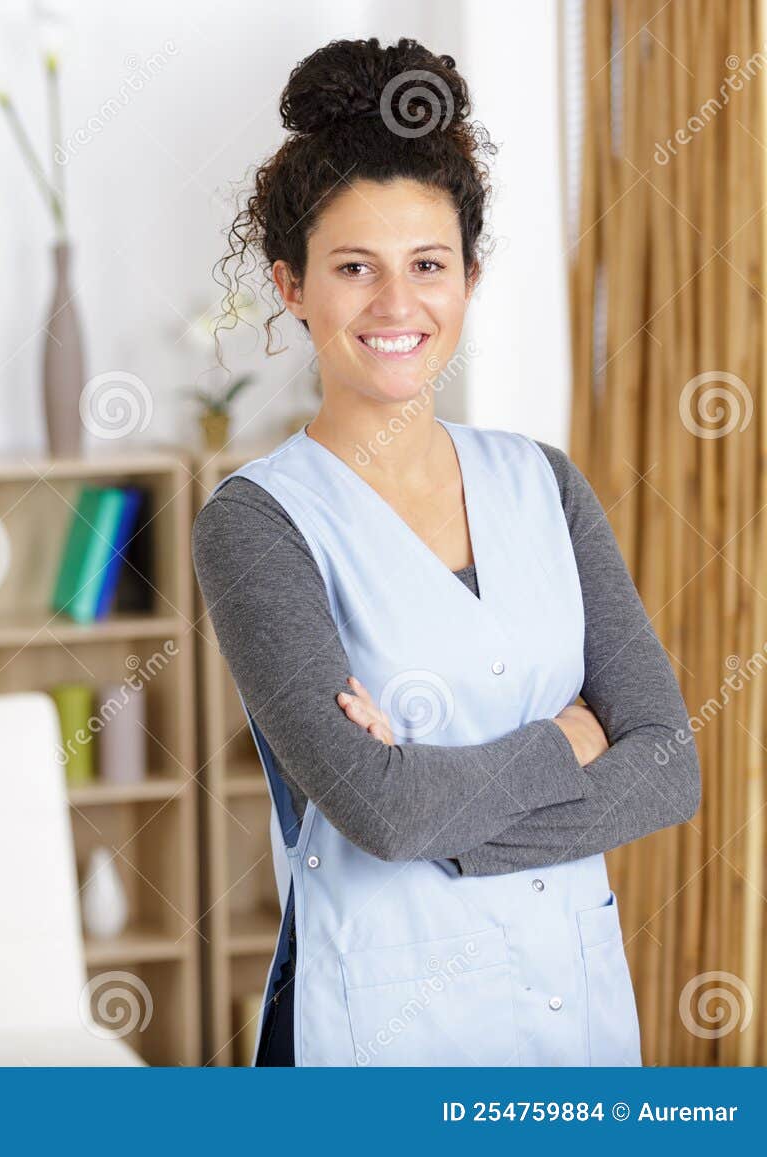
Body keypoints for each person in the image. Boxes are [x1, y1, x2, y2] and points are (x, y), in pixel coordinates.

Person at [191, 36, 701, 1067]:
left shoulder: (542, 481)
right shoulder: (255, 522)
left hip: (577, 1012)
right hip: (375, 1022)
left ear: (469, 275)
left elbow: (668, 766)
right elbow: (377, 808)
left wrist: (438, 810)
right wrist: (570, 737)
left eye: (426, 265)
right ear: (291, 286)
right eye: (352, 269)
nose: (395, 305)